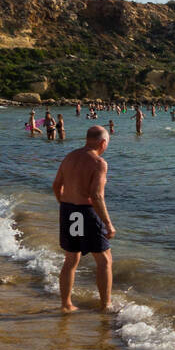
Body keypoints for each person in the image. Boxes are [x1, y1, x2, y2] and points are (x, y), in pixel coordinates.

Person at [52, 126, 115, 312]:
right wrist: (108, 224)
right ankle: (106, 305)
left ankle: (66, 304)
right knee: (104, 261)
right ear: (102, 142)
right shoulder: (99, 163)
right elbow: (96, 196)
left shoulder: (70, 157)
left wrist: (64, 204)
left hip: (69, 210)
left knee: (71, 259)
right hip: (87, 212)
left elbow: (56, 186)